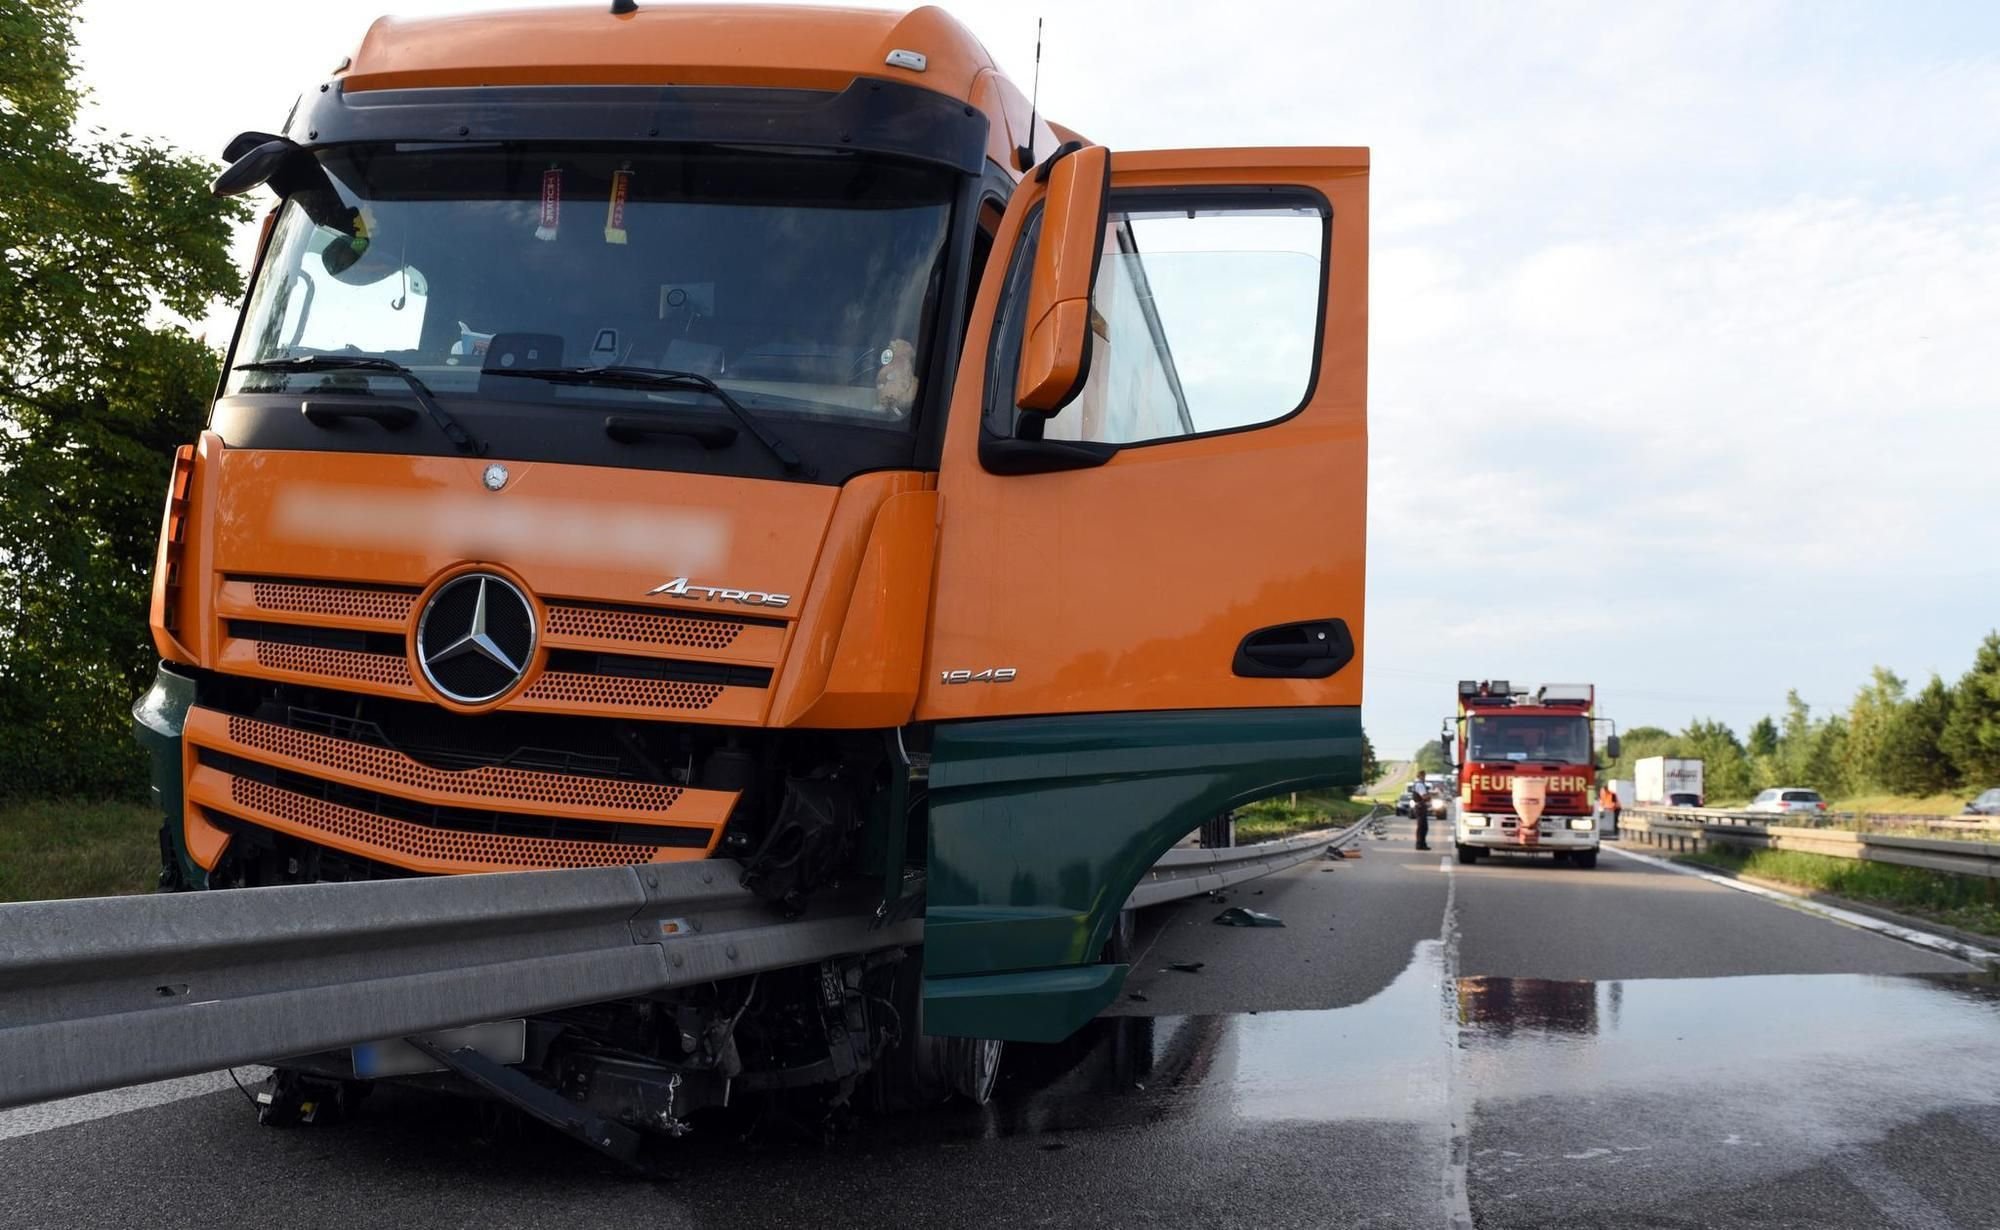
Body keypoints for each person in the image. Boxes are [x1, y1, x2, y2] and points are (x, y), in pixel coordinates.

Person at [1410, 779, 1432, 850]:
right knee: (1422, 827)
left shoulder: (1417, 784)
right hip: (1420, 807)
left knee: (1422, 827)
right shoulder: (1420, 785)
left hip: (1419, 807)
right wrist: (1429, 796)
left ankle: (1421, 844)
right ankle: (1420, 844)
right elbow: (1424, 796)